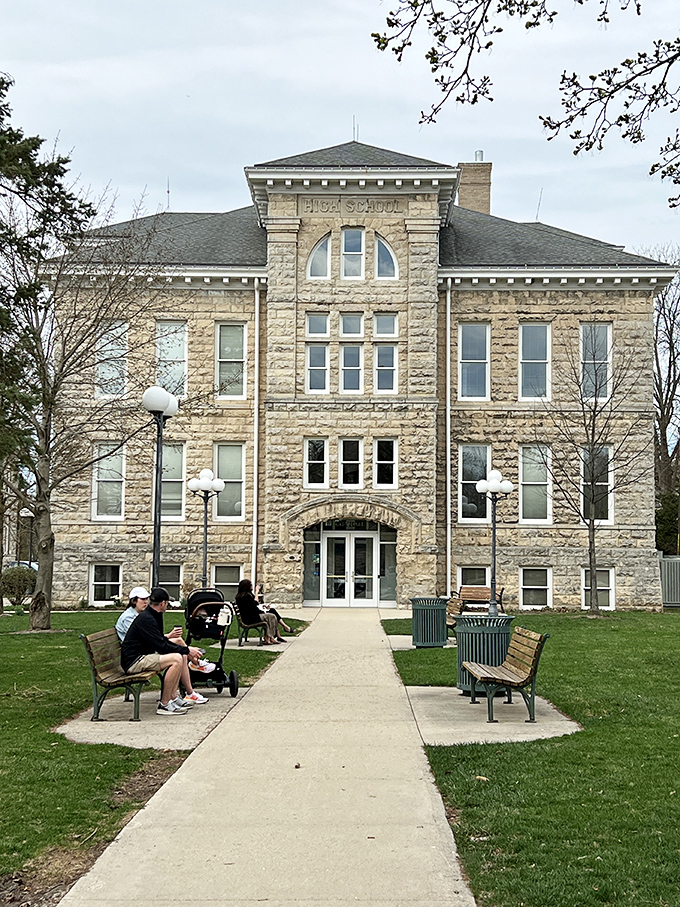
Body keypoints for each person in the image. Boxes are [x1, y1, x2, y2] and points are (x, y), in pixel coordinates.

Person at [117, 586, 211, 707]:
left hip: (144, 655)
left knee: (180, 656)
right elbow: (161, 646)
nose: (168, 605)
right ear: (162, 603)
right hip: (134, 661)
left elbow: (160, 640)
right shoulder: (147, 618)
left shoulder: (155, 614)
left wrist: (185, 651)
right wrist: (188, 650)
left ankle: (173, 697)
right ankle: (165, 704)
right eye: (167, 603)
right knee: (176, 659)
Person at [235, 578, 279, 644]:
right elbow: (254, 606)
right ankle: (268, 637)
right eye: (251, 585)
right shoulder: (246, 597)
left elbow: (254, 606)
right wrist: (256, 592)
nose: (252, 587)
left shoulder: (243, 596)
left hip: (249, 616)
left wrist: (262, 608)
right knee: (271, 616)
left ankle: (270, 637)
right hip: (250, 618)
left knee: (271, 616)